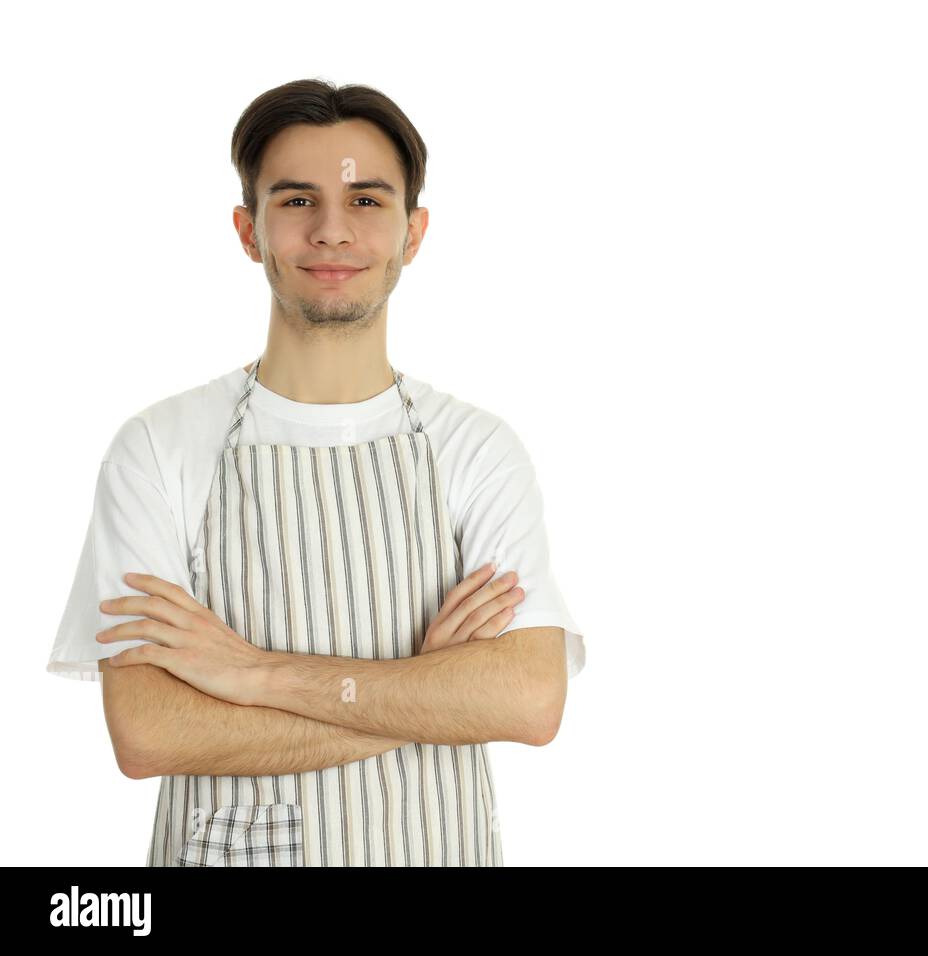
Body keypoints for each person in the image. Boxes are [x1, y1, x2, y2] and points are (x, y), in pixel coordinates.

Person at [45, 78, 585, 867]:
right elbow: (149, 731)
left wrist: (252, 674)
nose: (333, 231)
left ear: (414, 232)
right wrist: (429, 694)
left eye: (366, 201)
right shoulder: (159, 448)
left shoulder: (476, 450)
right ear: (248, 230)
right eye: (297, 201)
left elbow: (530, 701)